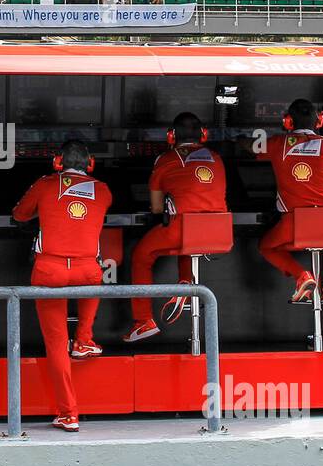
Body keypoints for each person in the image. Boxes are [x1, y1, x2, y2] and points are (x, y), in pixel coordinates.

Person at [12, 139, 112, 432]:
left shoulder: (44, 184)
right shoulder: (104, 190)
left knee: (56, 344)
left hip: (50, 271)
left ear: (57, 162)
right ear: (90, 163)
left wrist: (44, 211)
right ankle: (84, 338)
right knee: (95, 277)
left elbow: (19, 215)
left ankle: (69, 414)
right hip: (87, 271)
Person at [125, 112, 228, 342]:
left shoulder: (165, 159)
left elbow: (155, 207)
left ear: (171, 136)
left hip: (184, 228)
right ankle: (184, 283)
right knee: (188, 243)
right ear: (203, 135)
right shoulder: (217, 157)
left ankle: (143, 321)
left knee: (142, 255)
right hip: (219, 230)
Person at [255, 98, 323, 305]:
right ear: (319, 121)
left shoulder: (277, 144)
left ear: (288, 122)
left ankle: (303, 277)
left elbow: (250, 147)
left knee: (266, 246)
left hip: (293, 223)